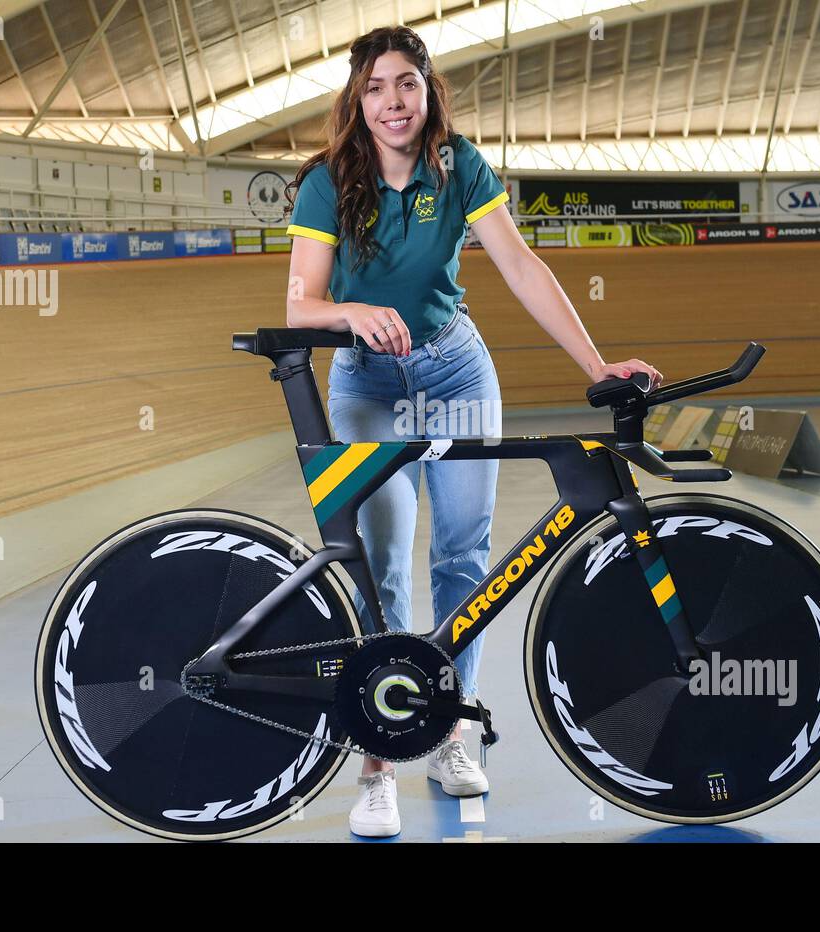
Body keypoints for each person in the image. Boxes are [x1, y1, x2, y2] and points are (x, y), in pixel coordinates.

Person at [283, 25, 662, 838]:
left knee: (463, 556)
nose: (393, 101)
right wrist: (351, 311)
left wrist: (595, 364)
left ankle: (453, 729)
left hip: (456, 372)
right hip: (365, 386)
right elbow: (300, 308)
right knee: (379, 569)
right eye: (378, 86)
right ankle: (378, 755)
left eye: (408, 85)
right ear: (358, 98)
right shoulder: (326, 182)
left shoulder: (459, 166)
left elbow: (521, 264)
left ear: (428, 94)